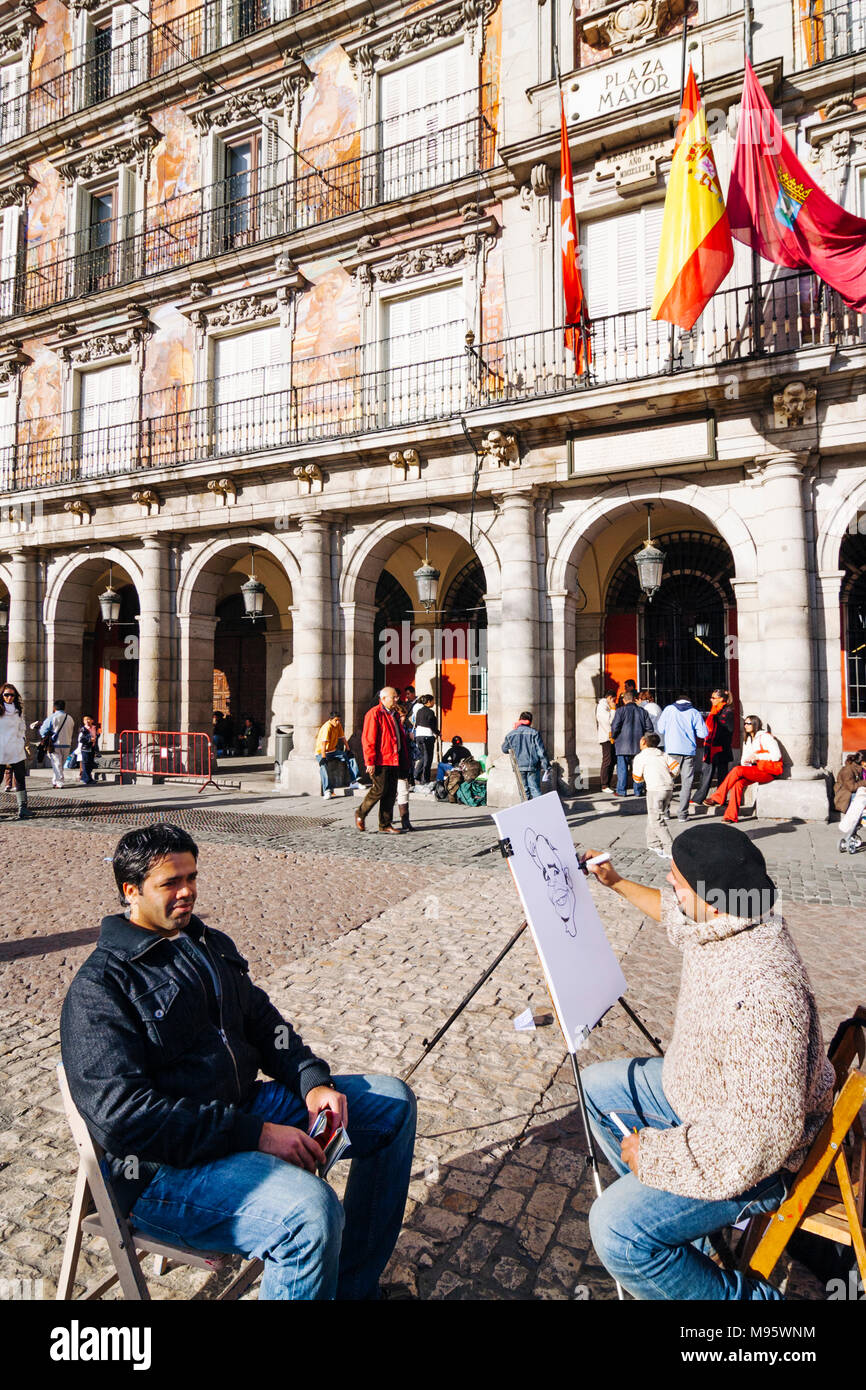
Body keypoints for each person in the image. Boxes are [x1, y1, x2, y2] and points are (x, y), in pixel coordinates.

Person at [59, 823, 416, 1301]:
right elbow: (124, 1120)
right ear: (131, 891)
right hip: (161, 1172)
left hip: (242, 1108)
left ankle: (351, 1289)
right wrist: (258, 1136)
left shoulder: (206, 944)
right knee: (309, 1213)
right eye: (170, 883)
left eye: (191, 877)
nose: (187, 892)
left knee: (393, 1102)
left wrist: (312, 1081)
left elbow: (264, 1023)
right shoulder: (99, 989)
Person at [582, 824, 834, 1301]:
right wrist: (614, 882)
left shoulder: (764, 994)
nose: (672, 890)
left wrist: (657, 1158)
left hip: (762, 1160)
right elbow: (674, 915)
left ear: (713, 900)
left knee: (617, 1230)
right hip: (700, 1095)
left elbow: (759, 1139)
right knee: (597, 1086)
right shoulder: (737, 914)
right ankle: (684, 1231)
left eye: (677, 882)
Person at [707, 715, 783, 824]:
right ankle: (731, 816)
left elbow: (777, 756)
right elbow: (744, 759)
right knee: (737, 783)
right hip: (755, 770)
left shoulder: (765, 737)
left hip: (768, 771)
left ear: (755, 724)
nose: (745, 726)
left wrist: (757, 757)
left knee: (737, 770)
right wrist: (746, 761)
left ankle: (718, 797)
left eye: (748, 723)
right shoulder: (747, 739)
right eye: (745, 723)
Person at [356, 687, 411, 833]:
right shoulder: (374, 713)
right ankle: (361, 813)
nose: (396, 699)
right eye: (393, 697)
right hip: (381, 759)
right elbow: (368, 739)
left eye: (396, 697)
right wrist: (370, 761)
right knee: (379, 790)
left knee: (390, 793)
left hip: (394, 758)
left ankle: (385, 824)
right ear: (384, 698)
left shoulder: (394, 714)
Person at [657, 692, 708, 822]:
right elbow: (703, 734)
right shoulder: (694, 712)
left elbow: (660, 729)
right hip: (688, 752)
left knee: (669, 782)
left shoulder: (668, 710)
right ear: (689, 702)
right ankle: (683, 814)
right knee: (687, 783)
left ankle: (665, 812)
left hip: (672, 751)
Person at [632, 731, 674, 858]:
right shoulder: (663, 754)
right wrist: (669, 776)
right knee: (654, 815)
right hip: (668, 788)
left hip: (654, 790)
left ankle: (669, 847)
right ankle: (653, 842)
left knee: (657, 820)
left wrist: (645, 779)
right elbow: (676, 767)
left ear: (644, 742)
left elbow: (637, 778)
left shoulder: (640, 757)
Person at [692, 689, 735, 806]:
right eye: (711, 697)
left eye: (714, 698)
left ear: (721, 699)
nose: (711, 700)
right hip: (711, 746)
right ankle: (699, 798)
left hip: (720, 748)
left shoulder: (727, 711)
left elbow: (728, 730)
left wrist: (716, 740)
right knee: (706, 772)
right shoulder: (714, 711)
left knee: (722, 774)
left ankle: (719, 798)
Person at [610, 691, 652, 798]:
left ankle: (621, 790)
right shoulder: (643, 711)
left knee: (622, 769)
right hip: (639, 745)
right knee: (638, 768)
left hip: (622, 744)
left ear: (624, 700)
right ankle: (638, 790)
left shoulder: (620, 711)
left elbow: (615, 727)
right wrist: (645, 740)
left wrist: (613, 736)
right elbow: (650, 729)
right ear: (634, 699)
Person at [501, 712, 550, 800]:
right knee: (535, 790)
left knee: (524, 791)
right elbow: (541, 752)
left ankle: (526, 812)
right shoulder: (534, 733)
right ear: (530, 721)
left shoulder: (511, 734)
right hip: (532, 766)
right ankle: (539, 811)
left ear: (519, 720)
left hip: (518, 766)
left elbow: (504, 749)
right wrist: (547, 766)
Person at [315, 711, 362, 799]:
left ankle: (354, 782)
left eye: (339, 720)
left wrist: (348, 750)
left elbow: (343, 738)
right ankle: (327, 790)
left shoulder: (338, 725)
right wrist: (324, 757)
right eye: (336, 720)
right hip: (321, 752)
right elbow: (323, 744)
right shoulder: (327, 727)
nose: (338, 722)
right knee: (323, 767)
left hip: (333, 751)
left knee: (350, 757)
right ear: (331, 720)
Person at [0, 682, 29, 820]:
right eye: (6, 695)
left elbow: (21, 729)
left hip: (16, 748)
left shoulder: (18, 711)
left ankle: (22, 808)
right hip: (1, 748)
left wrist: (23, 741)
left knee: (20, 778)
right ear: (2, 695)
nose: (9, 697)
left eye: (12, 695)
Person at [38, 698, 74, 789]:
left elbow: (43, 731)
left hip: (54, 744)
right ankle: (55, 780)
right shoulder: (70, 718)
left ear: (54, 708)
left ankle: (59, 782)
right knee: (60, 764)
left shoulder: (52, 717)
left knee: (56, 764)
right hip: (67, 743)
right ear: (64, 707)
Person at [835, 751, 866, 843]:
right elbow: (851, 787)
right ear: (862, 762)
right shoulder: (848, 770)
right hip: (845, 798)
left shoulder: (861, 769)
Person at [412, 695, 439, 785]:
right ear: (428, 702)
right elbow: (431, 724)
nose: (434, 703)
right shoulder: (430, 712)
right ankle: (425, 779)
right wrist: (438, 733)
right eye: (433, 701)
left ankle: (416, 775)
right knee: (428, 758)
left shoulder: (419, 711)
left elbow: (417, 722)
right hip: (427, 736)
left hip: (419, 736)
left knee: (423, 757)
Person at [596, 692, 617, 793]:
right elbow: (609, 721)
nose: (614, 702)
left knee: (612, 760)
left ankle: (608, 783)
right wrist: (613, 709)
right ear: (609, 697)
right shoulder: (602, 706)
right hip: (606, 737)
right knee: (607, 760)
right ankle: (604, 785)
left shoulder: (605, 705)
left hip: (610, 737)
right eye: (613, 699)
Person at [77, 716, 99, 786]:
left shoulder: (94, 728)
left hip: (92, 748)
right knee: (86, 763)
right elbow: (81, 739)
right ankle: (87, 779)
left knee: (90, 763)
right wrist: (89, 740)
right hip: (85, 748)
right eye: (85, 720)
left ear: (92, 720)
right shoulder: (83, 729)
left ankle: (85, 777)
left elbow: (96, 736)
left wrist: (98, 735)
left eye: (89, 719)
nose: (87, 721)